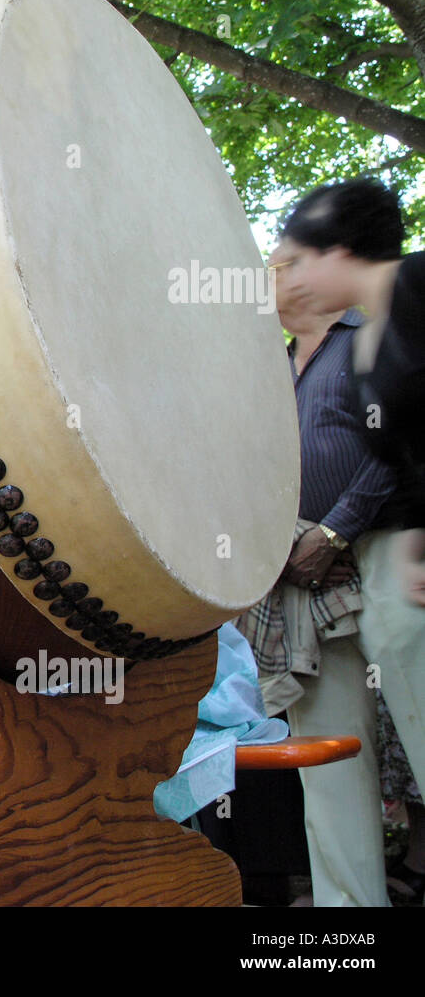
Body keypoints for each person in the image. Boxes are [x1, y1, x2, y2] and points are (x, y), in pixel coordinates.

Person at [273, 177, 425, 901]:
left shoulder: (376, 334)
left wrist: (338, 528)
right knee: (329, 763)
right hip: (305, 590)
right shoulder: (272, 369)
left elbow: (386, 452)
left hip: (380, 551)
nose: (283, 276)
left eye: (291, 261)